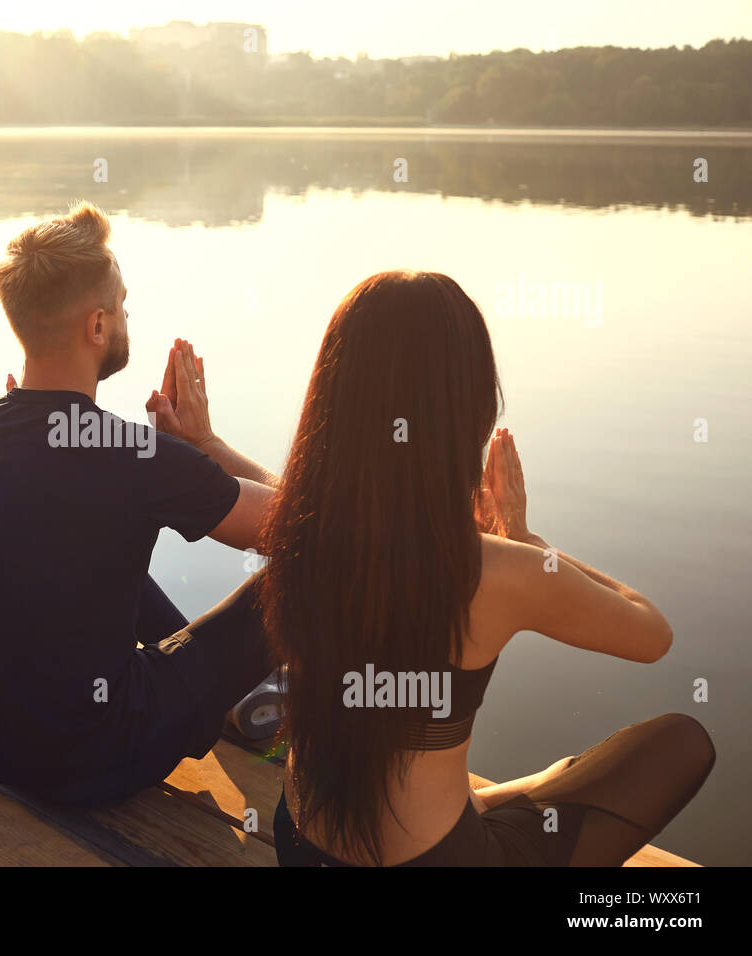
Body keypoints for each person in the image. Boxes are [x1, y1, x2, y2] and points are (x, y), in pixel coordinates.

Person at [264, 270, 715, 867]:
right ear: (467, 411)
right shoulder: (492, 570)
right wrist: (527, 542)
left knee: (544, 779)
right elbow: (652, 632)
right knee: (681, 743)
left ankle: (505, 795)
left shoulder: (298, 529)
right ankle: (515, 798)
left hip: (299, 844)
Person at [0, 201, 280, 806]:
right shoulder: (134, 455)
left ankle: (218, 694)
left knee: (84, 544)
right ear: (97, 327)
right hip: (95, 756)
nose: (125, 318)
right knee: (312, 568)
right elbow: (303, 528)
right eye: (121, 306)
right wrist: (206, 444)